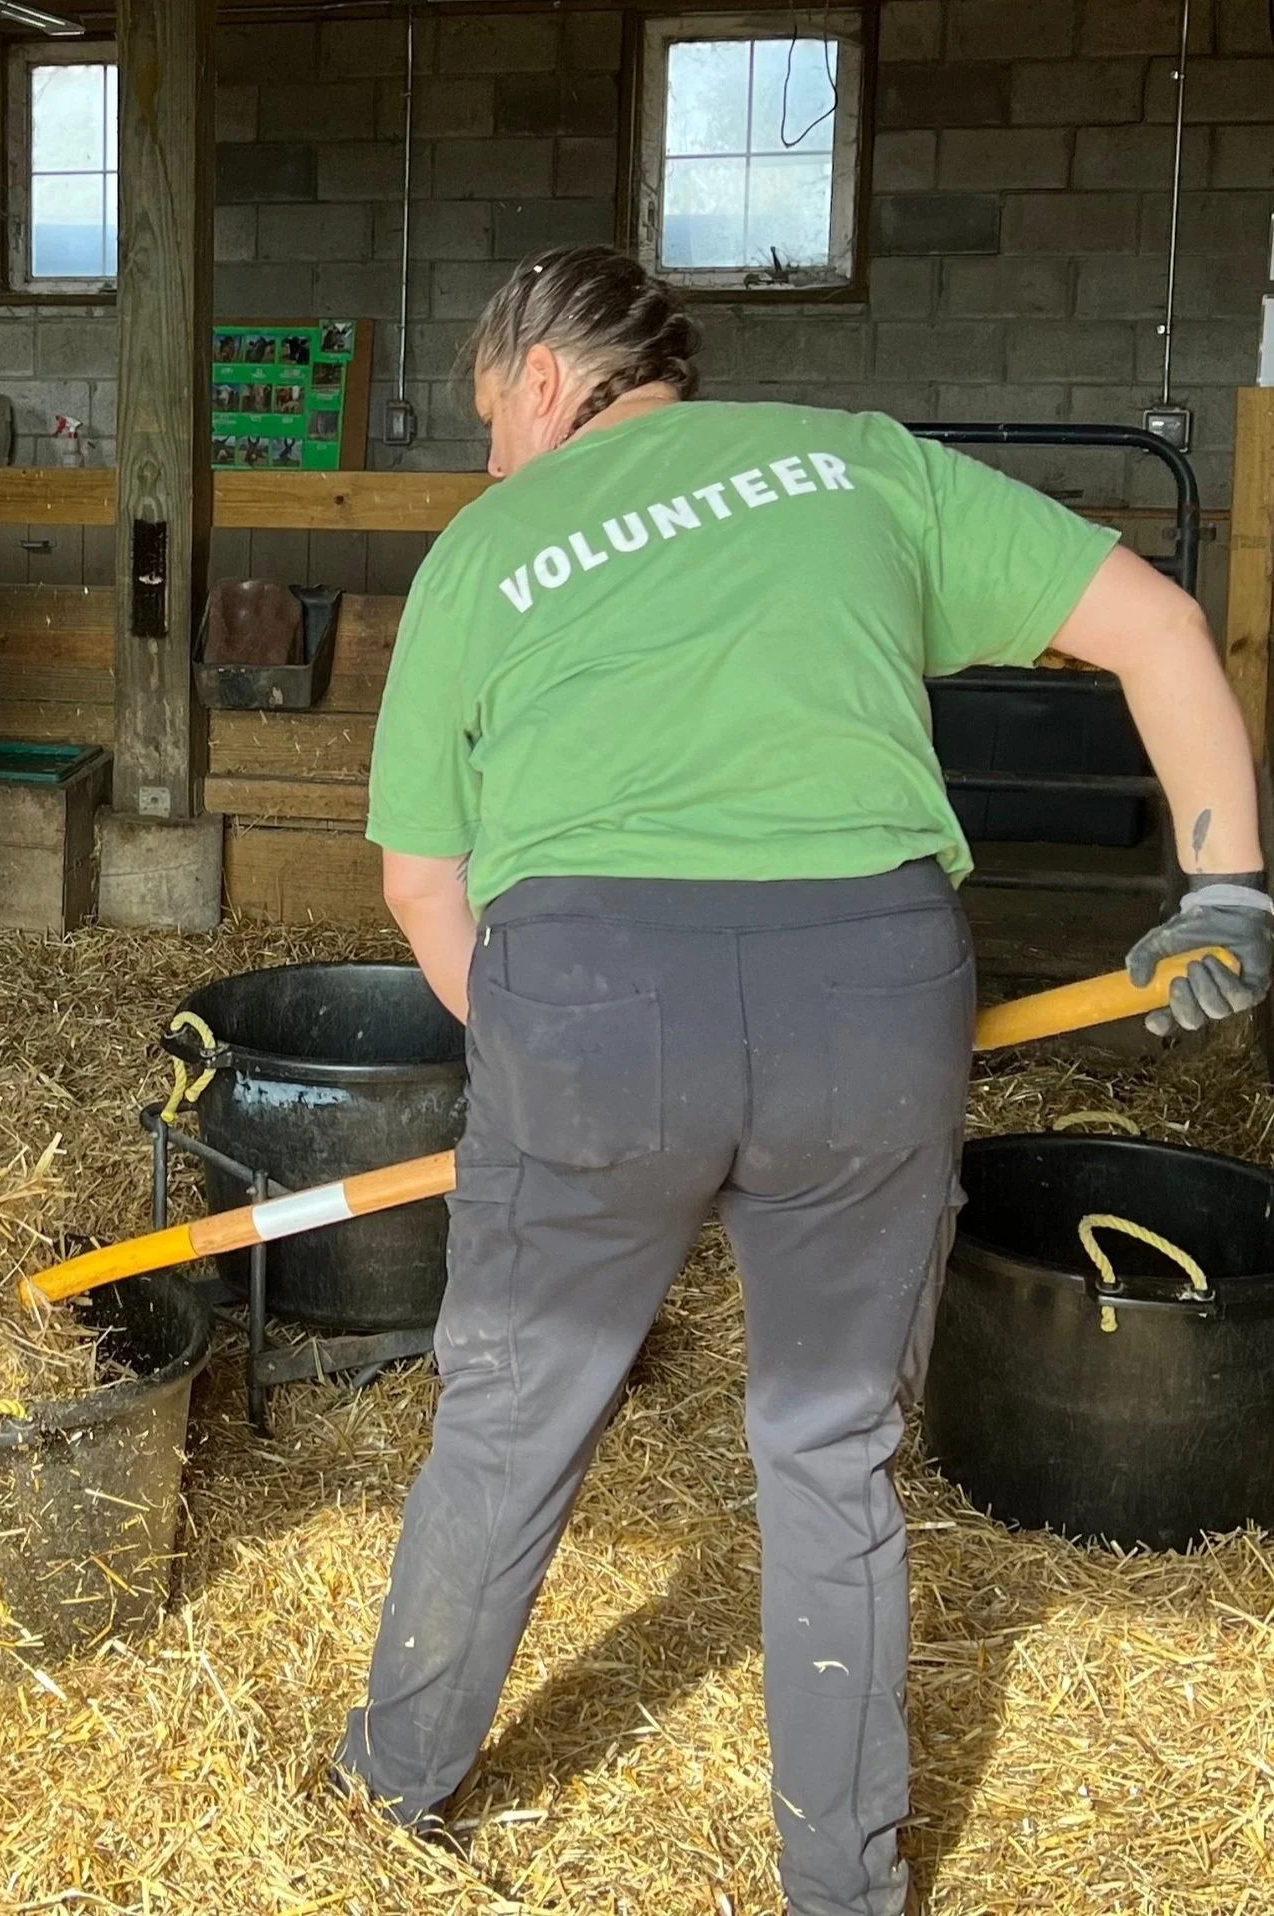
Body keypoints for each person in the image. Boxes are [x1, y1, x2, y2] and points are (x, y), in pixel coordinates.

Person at [338, 247, 1271, 1916]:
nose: (490, 460)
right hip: (875, 991)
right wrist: (1224, 891)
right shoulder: (861, 462)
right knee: (831, 1445)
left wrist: (557, 1071)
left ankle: (393, 1785)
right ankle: (843, 1886)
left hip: (591, 988)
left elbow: (423, 883)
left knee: (507, 1417)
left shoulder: (488, 546)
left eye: (491, 419)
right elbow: (1160, 627)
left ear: (544, 380)